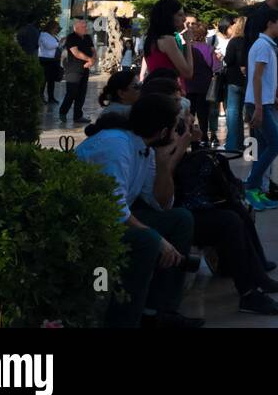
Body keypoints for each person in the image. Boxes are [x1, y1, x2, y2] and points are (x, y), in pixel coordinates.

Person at [74, 89, 202, 328]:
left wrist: (164, 164)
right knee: (146, 240)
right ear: (163, 131)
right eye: (175, 128)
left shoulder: (144, 147)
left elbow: (161, 204)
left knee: (180, 219)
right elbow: (114, 206)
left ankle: (159, 310)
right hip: (89, 222)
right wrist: (156, 238)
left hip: (112, 218)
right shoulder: (117, 144)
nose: (177, 133)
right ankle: (124, 320)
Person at [168, 98, 278, 315]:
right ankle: (250, 291)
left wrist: (191, 143)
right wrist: (185, 145)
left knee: (236, 211)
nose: (192, 118)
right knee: (231, 219)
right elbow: (167, 184)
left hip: (193, 205)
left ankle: (257, 276)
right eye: (187, 115)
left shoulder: (176, 138)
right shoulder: (165, 142)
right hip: (181, 210)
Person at [242, 6, 278, 212]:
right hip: (257, 104)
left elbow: (265, 79)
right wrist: (259, 107)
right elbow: (257, 78)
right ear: (270, 24)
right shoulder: (262, 46)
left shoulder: (268, 46)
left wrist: (273, 100)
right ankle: (250, 186)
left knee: (264, 147)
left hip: (263, 103)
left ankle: (256, 190)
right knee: (275, 145)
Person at [142, 0, 195, 89]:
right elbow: (188, 73)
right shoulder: (167, 40)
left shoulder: (151, 39)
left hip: (157, 90)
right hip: (169, 92)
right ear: (168, 17)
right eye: (180, 15)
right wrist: (188, 42)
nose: (184, 19)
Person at [184, 22, 218, 140]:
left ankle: (189, 138)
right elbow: (216, 67)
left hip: (189, 85)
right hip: (204, 86)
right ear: (204, 34)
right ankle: (204, 139)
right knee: (203, 115)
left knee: (189, 114)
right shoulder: (209, 49)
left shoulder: (187, 48)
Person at [59, 16, 95, 125]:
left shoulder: (88, 37)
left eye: (86, 26)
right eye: (83, 27)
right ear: (76, 27)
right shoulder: (71, 37)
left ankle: (78, 116)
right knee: (71, 93)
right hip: (73, 69)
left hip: (85, 69)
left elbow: (93, 50)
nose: (86, 28)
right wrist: (89, 59)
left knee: (82, 94)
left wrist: (92, 61)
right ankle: (63, 112)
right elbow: (76, 52)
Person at [220, 17, 248, 153]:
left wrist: (222, 57)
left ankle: (232, 144)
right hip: (247, 82)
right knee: (244, 114)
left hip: (233, 81)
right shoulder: (251, 42)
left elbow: (229, 60)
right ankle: (243, 143)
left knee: (232, 113)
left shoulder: (234, 41)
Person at [38, 19, 62, 106]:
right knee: (44, 80)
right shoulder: (44, 35)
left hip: (53, 60)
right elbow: (48, 46)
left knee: (51, 81)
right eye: (56, 28)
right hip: (45, 60)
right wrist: (59, 44)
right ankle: (41, 97)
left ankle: (51, 97)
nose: (57, 29)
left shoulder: (53, 36)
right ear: (51, 27)